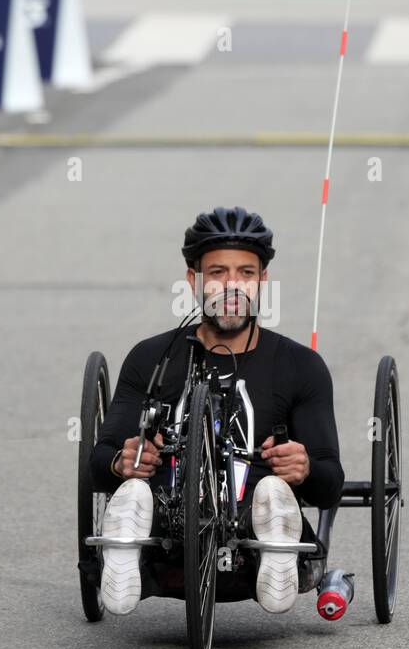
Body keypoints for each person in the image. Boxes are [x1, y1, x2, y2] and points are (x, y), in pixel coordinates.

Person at [89, 206, 344, 615]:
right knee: (137, 494)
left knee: (271, 496)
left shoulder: (301, 366)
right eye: (218, 273)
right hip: (170, 544)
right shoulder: (152, 359)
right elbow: (97, 463)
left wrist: (306, 468)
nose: (232, 285)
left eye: (245, 273)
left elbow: (331, 484)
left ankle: (276, 547)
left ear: (262, 280)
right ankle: (125, 550)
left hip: (251, 542)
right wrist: (124, 463)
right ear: (195, 281)